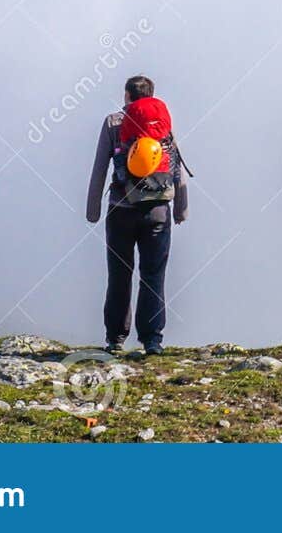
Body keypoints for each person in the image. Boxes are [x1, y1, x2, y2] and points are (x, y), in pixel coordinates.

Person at [85, 75, 188, 355]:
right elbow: (176, 167)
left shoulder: (113, 122)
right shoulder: (162, 123)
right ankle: (152, 340)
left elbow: (99, 167)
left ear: (127, 96)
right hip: (158, 211)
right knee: (153, 275)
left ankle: (115, 339)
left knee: (119, 274)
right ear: (151, 96)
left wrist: (93, 211)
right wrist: (181, 209)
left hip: (121, 211)